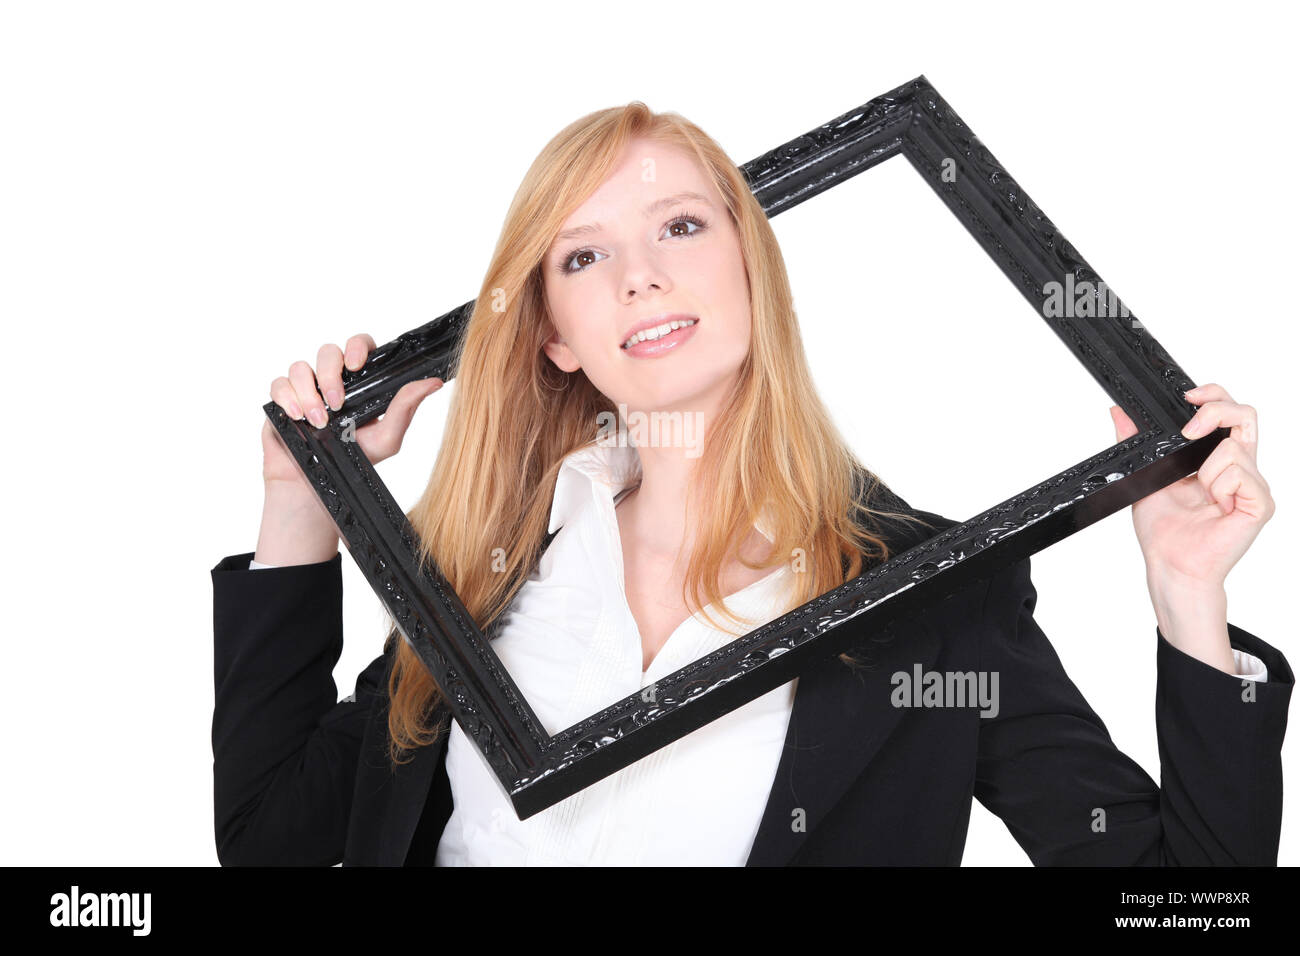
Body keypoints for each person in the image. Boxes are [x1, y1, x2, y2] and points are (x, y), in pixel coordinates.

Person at [211, 101, 1291, 866]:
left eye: (680, 224)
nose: (641, 273)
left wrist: (1188, 598)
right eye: (582, 257)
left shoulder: (933, 594)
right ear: (554, 335)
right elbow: (269, 839)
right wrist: (299, 506)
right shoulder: (482, 576)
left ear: (749, 261)